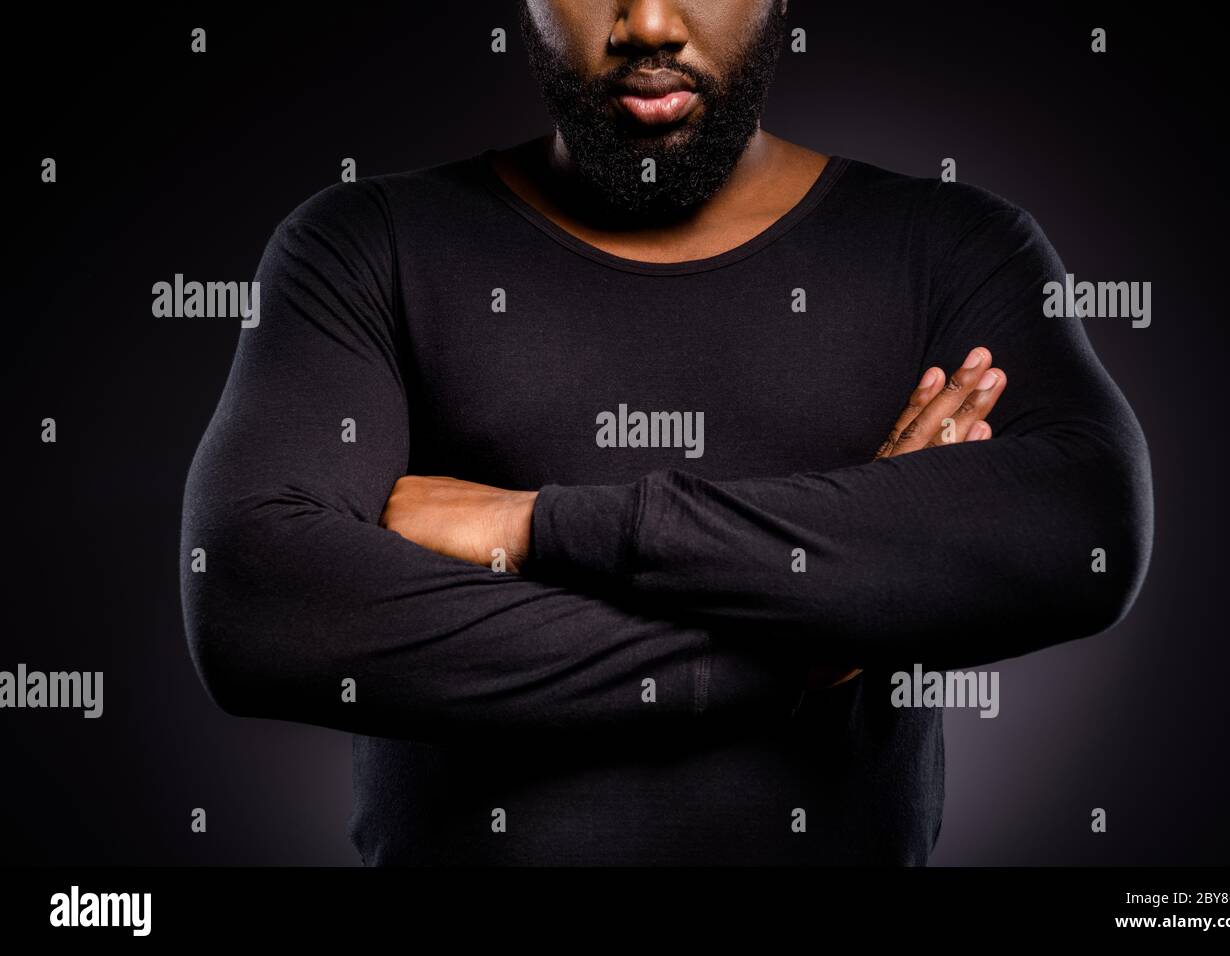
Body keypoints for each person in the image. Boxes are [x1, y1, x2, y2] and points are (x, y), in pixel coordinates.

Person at [180, 0, 1153, 865]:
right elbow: (255, 601)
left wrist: (534, 528)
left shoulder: (949, 246)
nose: (647, 23)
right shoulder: (367, 243)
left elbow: (1086, 529)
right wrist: (812, 638)